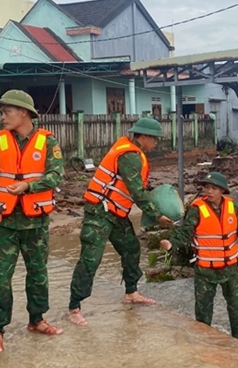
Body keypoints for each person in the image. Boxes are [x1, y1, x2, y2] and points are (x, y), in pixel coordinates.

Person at [0, 90, 64, 353]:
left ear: (23, 112)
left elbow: (56, 175)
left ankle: (37, 320)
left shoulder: (48, 142)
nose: (2, 117)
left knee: (38, 275)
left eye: (7, 111)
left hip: (36, 223)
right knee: (0, 279)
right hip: (4, 222)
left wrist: (28, 186)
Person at [67, 118, 173, 327]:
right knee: (91, 258)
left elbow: (133, 189)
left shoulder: (132, 152)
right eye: (154, 139)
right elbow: (137, 192)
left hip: (116, 213)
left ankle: (131, 292)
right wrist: (156, 215)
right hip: (100, 211)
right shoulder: (130, 155)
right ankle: (74, 307)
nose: (156, 144)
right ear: (143, 137)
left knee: (132, 248)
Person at [160, 172, 238, 341]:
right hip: (205, 271)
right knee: (203, 311)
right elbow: (186, 233)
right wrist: (171, 243)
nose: (208, 191)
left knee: (237, 308)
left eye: (213, 188)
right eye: (206, 187)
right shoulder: (196, 209)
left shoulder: (233, 207)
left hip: (230, 269)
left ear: (222, 190)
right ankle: (202, 344)